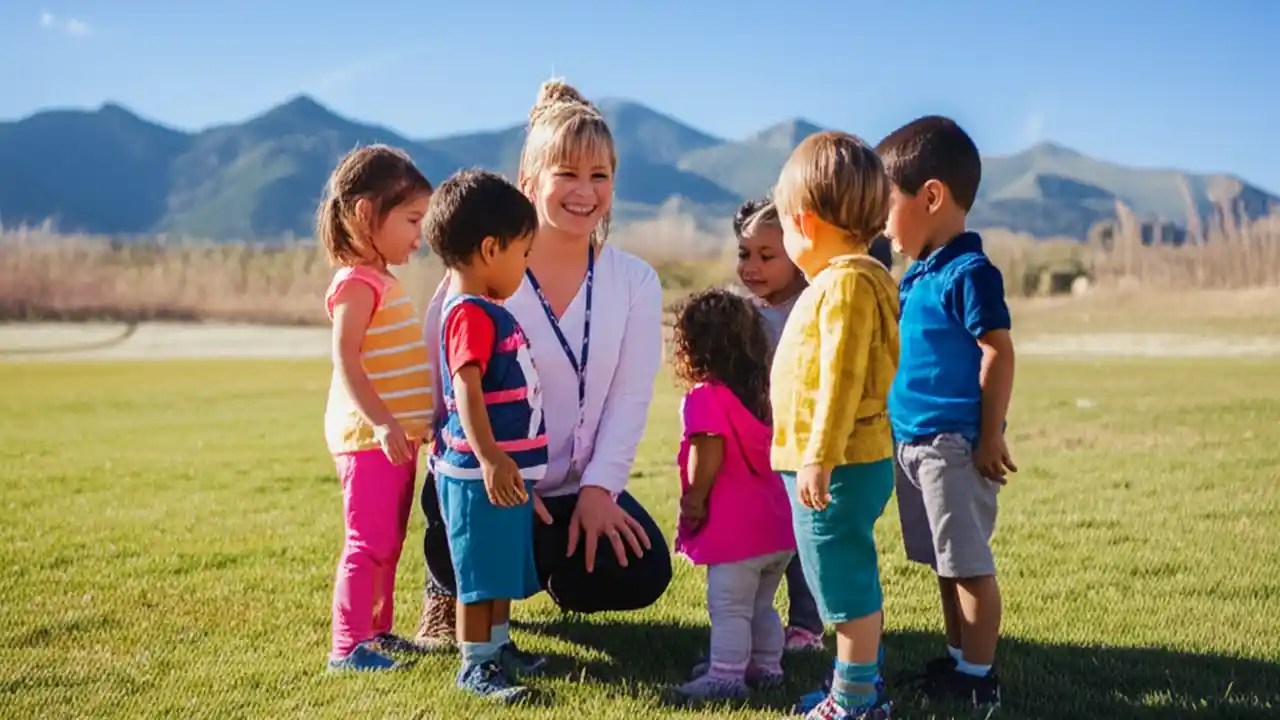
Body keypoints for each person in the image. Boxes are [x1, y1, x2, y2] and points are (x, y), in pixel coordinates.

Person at [413, 79, 672, 648]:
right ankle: (446, 586)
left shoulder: (635, 281)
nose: (586, 191)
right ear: (528, 183)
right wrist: (500, 476)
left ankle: (542, 572)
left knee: (642, 570)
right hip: (493, 478)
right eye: (568, 175)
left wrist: (600, 491)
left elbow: (630, 400)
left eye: (599, 175)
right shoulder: (478, 280)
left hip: (573, 488)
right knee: (454, 498)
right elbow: (444, 405)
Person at [876, 115, 1015, 712]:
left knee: (968, 565)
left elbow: (998, 351)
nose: (882, 224)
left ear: (930, 197)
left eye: (887, 207)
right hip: (913, 445)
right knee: (942, 561)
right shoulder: (918, 275)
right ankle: (960, 660)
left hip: (953, 446)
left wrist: (988, 436)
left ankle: (980, 676)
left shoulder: (968, 273)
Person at [769, 131, 900, 719]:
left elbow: (841, 378)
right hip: (836, 461)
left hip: (838, 463)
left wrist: (818, 456)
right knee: (838, 577)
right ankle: (856, 686)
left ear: (804, 222)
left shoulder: (846, 284)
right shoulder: (846, 279)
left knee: (844, 585)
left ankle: (853, 701)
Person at [423, 168, 549, 702]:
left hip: (501, 473)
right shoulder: (469, 315)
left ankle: (497, 646)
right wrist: (492, 456)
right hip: (479, 475)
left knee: (498, 568)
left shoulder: (487, 310)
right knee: (478, 576)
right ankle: (475, 664)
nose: (526, 266)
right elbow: (466, 391)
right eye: (524, 254)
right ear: (491, 248)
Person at [318, 144, 435, 672]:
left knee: (389, 541)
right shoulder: (356, 283)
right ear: (368, 214)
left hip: (395, 439)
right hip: (369, 440)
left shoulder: (382, 279)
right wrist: (383, 422)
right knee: (367, 542)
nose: (419, 234)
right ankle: (348, 646)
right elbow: (346, 359)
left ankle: (378, 632)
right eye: (412, 219)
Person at [667, 288, 797, 703]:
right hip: (777, 527)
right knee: (761, 604)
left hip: (735, 530)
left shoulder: (706, 397)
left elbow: (708, 450)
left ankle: (725, 675)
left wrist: (695, 499)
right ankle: (766, 665)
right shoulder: (765, 396)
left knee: (729, 606)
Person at [732, 198, 825, 653]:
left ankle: (808, 624)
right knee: (764, 533)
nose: (752, 266)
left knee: (804, 534)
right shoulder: (744, 316)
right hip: (755, 447)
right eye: (744, 254)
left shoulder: (813, 308)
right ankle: (751, 618)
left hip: (804, 446)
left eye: (767, 256)